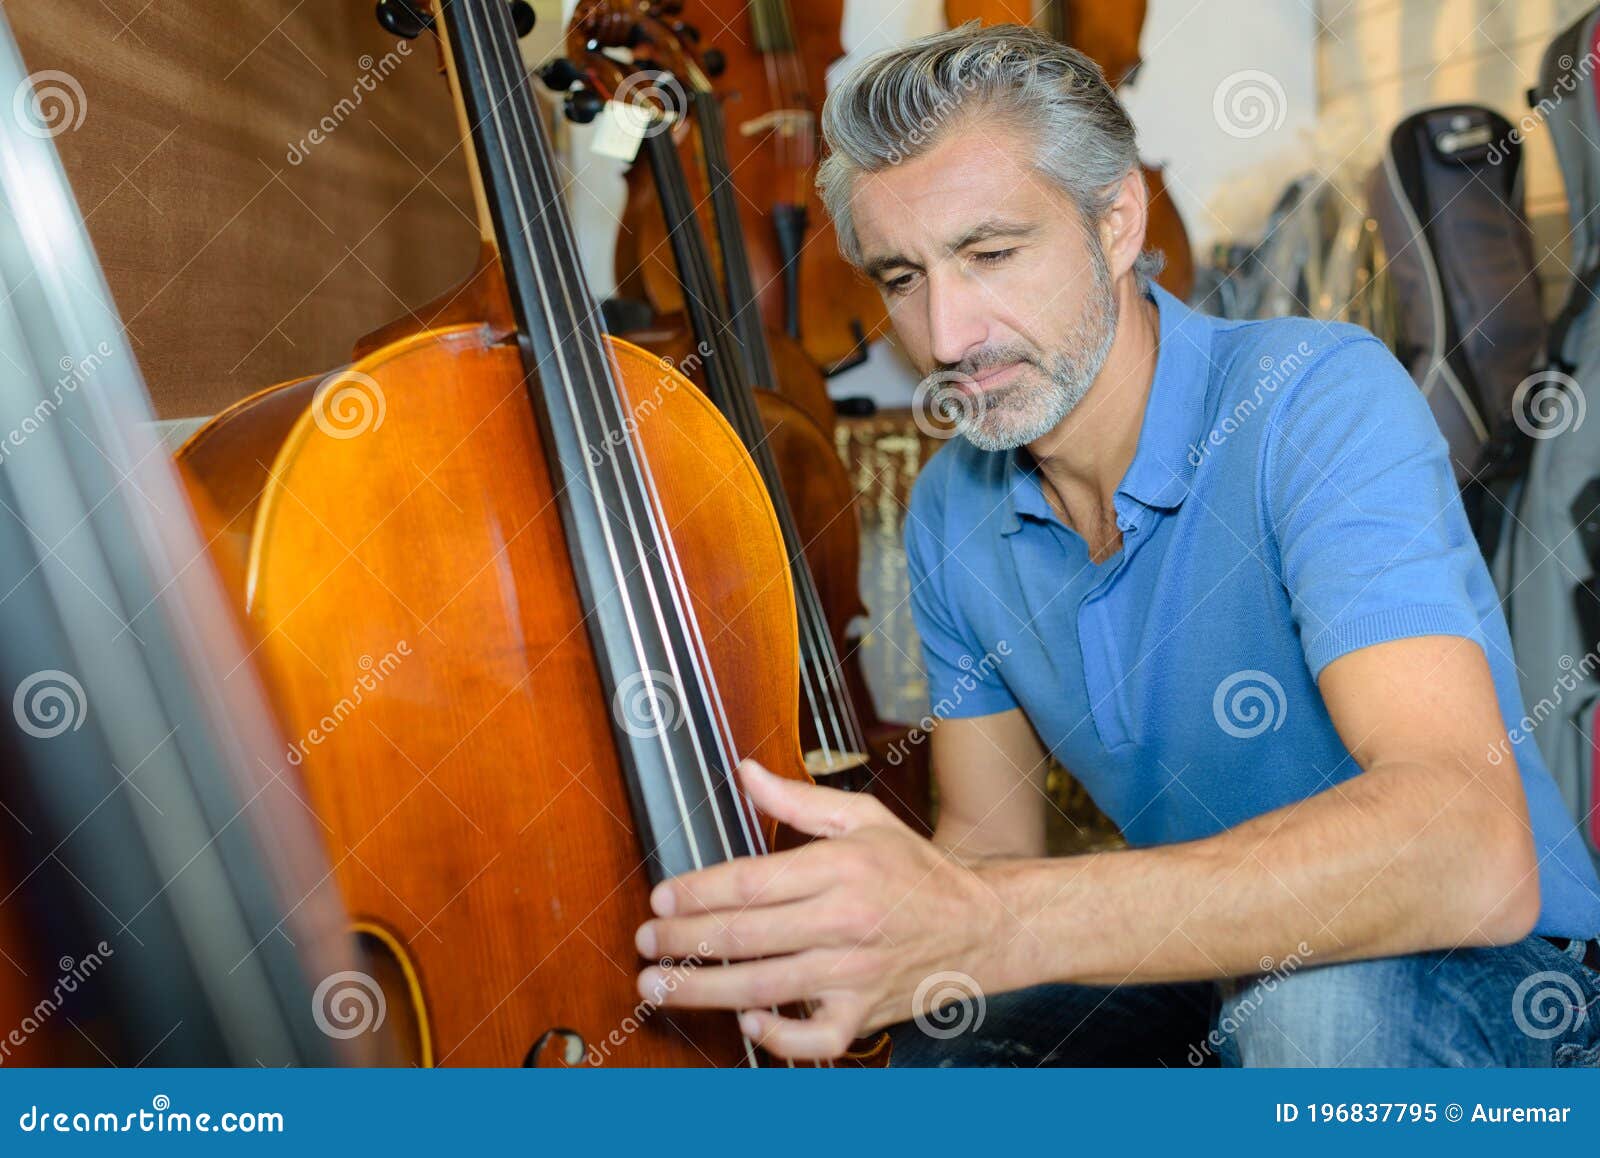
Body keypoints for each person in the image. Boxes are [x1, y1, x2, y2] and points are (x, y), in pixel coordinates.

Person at [628, 22, 1600, 1067]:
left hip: (1489, 975)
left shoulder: (1312, 396)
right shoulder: (953, 505)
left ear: (1117, 221)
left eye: (990, 254)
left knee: (1313, 1011)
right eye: (901, 277)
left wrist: (991, 922)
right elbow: (989, 851)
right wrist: (877, 936)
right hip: (1203, 967)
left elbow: (1466, 853)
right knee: (945, 1049)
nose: (947, 338)